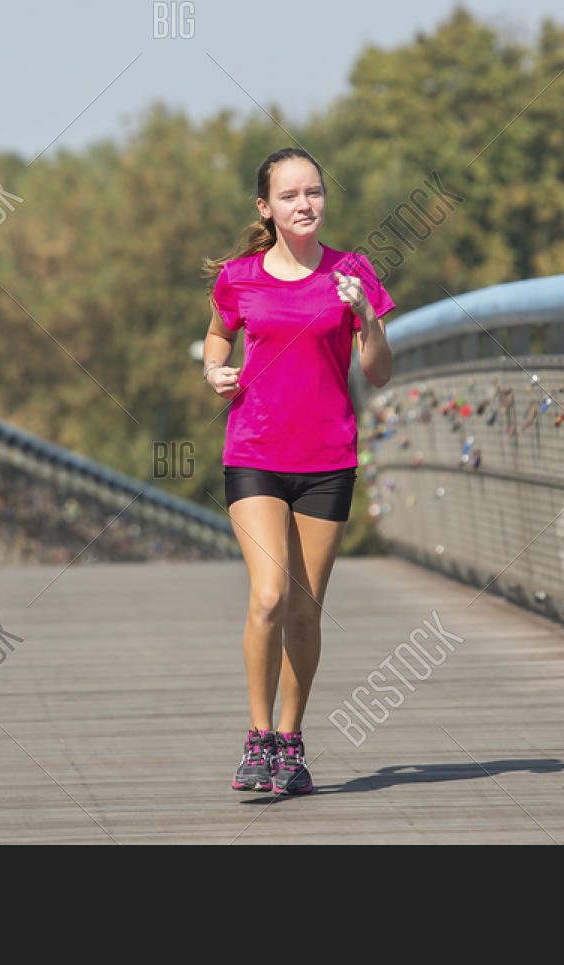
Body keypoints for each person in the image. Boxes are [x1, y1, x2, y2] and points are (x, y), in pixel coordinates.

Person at [200, 147, 395, 795]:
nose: (305, 204)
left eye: (314, 192)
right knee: (268, 597)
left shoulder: (352, 272)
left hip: (328, 459)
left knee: (306, 612)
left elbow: (378, 373)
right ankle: (257, 737)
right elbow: (218, 334)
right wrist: (214, 369)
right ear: (266, 208)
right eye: (289, 195)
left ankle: (291, 739)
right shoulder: (239, 277)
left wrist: (366, 316)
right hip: (254, 451)